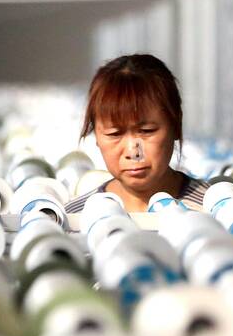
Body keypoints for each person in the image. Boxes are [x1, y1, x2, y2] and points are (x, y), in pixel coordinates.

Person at [64, 54, 208, 215]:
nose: (134, 152)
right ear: (96, 135)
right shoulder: (72, 219)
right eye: (114, 134)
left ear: (175, 125)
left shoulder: (215, 211)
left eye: (147, 131)